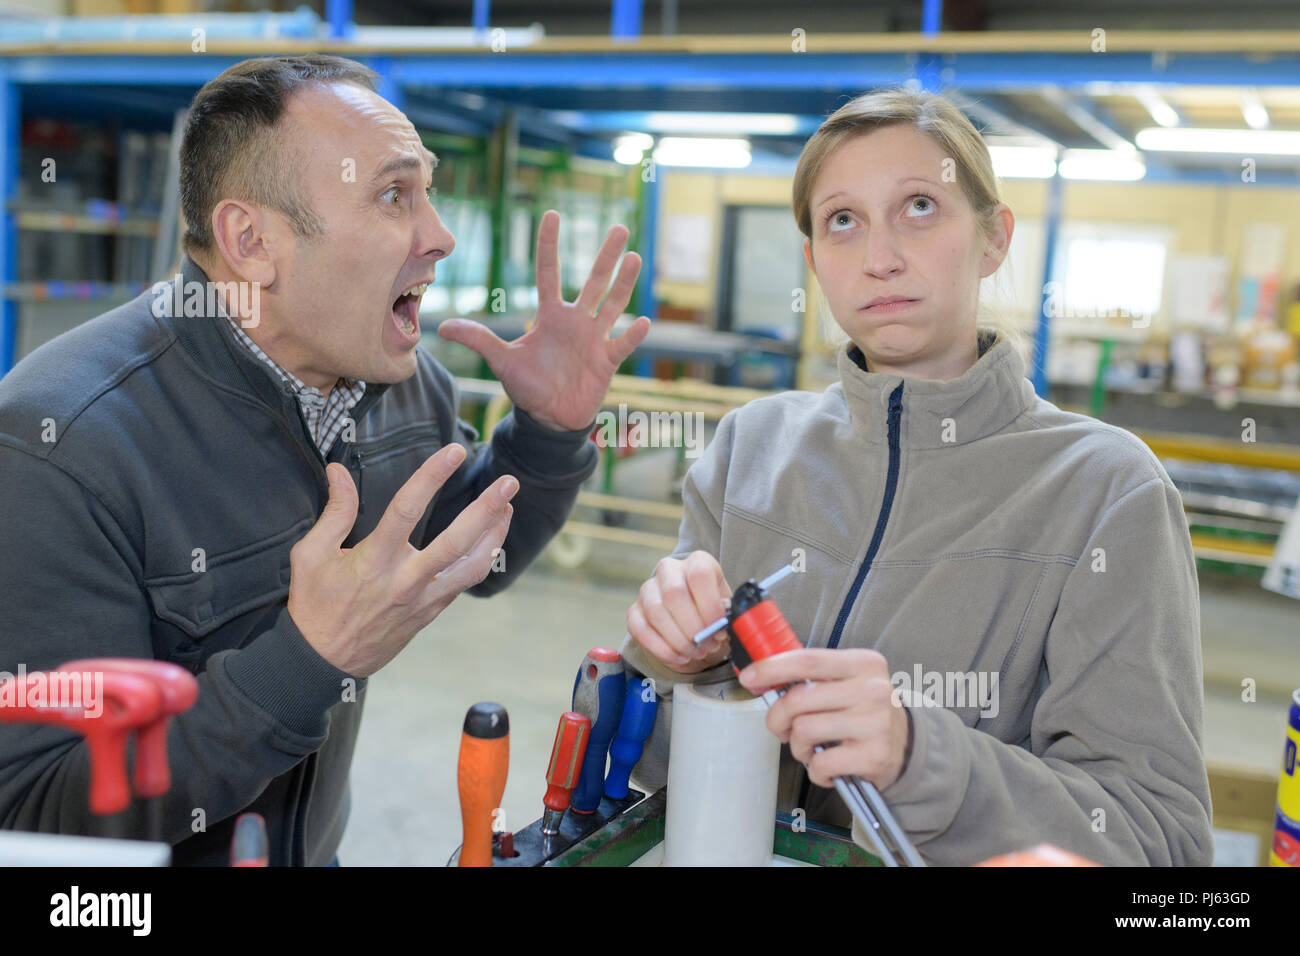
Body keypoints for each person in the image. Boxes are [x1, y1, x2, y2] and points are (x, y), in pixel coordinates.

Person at [0, 54, 649, 865]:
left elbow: (473, 559)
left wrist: (548, 433)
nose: (440, 236)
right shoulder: (61, 444)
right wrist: (306, 665)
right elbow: (36, 818)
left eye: (428, 192)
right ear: (252, 241)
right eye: (392, 195)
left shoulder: (405, 386)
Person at [622, 87, 1213, 866]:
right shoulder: (751, 448)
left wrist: (922, 759)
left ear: (994, 238)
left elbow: (1158, 840)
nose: (879, 257)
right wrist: (667, 668)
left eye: (921, 207)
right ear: (813, 259)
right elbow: (648, 775)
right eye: (843, 221)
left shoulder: (1106, 491)